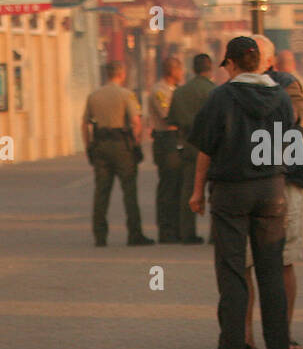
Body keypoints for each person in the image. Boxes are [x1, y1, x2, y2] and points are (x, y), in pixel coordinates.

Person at [187, 36, 302, 349]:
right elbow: (289, 143)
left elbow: (206, 149)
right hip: (271, 190)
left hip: (231, 191)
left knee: (233, 270)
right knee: (271, 269)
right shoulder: (281, 98)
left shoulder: (221, 96)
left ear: (232, 64)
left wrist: (197, 192)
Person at [244, 36, 303, 349]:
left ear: (269, 61)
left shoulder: (287, 85)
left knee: (283, 259)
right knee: (243, 262)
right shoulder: (231, 88)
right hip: (244, 182)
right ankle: (242, 334)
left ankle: (283, 332)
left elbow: (290, 119)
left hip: (284, 179)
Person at [83, 61, 154, 247]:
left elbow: (85, 124)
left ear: (107, 74)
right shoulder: (126, 95)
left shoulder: (94, 96)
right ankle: (134, 234)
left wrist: (88, 147)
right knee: (129, 191)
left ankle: (100, 235)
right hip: (122, 147)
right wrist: (136, 143)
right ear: (121, 74)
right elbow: (136, 122)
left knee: (101, 192)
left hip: (100, 145)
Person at [165, 53, 214, 245]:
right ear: (210, 68)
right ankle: (215, 234)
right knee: (214, 191)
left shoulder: (180, 92)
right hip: (211, 145)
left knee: (188, 189)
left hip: (189, 144)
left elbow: (173, 120)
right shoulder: (215, 91)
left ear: (193, 69)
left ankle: (187, 232)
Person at [148, 56, 185, 242]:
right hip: (166, 141)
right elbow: (167, 116)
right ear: (172, 71)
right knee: (168, 187)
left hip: (177, 140)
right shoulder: (159, 91)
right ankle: (166, 229)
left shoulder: (176, 90)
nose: (182, 73)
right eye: (180, 70)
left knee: (178, 185)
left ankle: (177, 227)